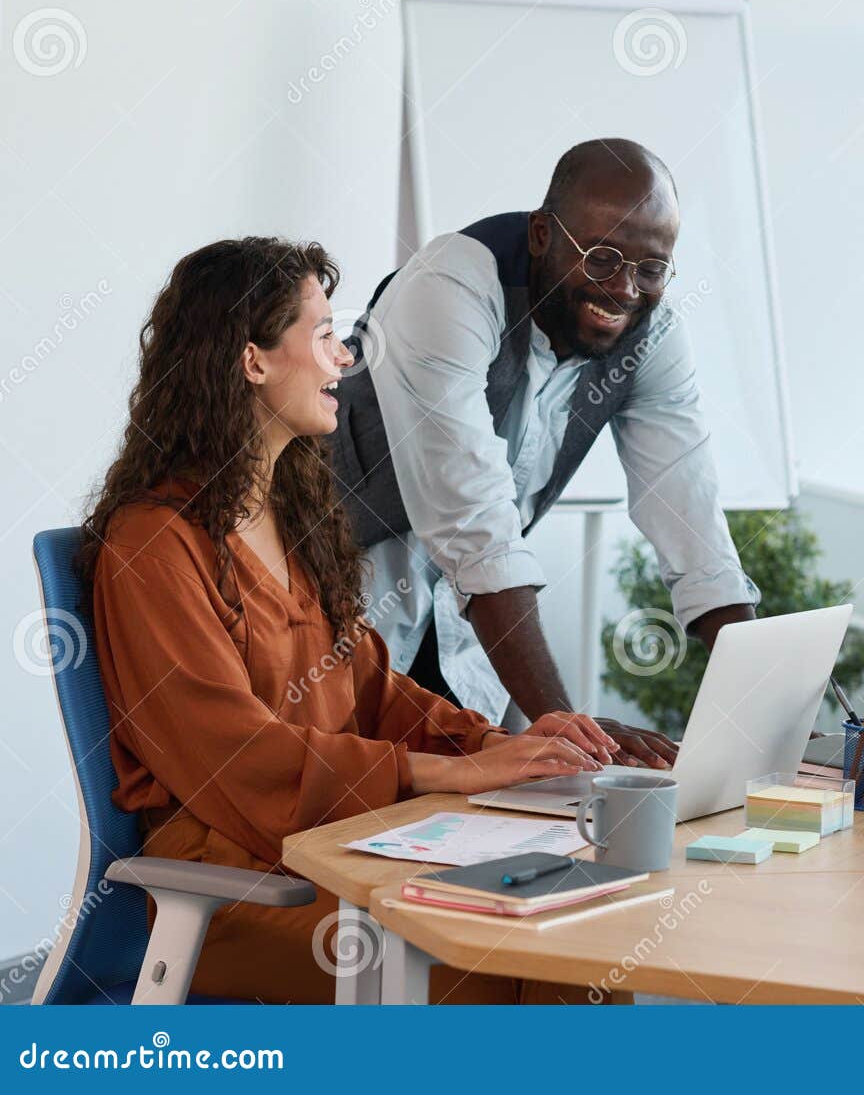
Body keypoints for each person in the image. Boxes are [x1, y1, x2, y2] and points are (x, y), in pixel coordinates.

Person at [82, 237, 619, 1003]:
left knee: (576, 933)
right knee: (496, 962)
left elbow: (372, 686)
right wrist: (451, 772)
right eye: (325, 334)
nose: (346, 359)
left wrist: (501, 745)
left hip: (338, 842)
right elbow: (237, 756)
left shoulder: (293, 517)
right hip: (234, 882)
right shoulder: (151, 545)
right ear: (252, 360)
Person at [326, 139, 759, 764]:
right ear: (540, 234)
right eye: (603, 257)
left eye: (651, 267)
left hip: (468, 631)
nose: (625, 290)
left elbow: (690, 513)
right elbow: (476, 528)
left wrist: (761, 702)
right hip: (336, 600)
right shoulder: (450, 286)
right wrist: (567, 725)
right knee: (338, 818)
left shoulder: (651, 325)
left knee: (465, 837)